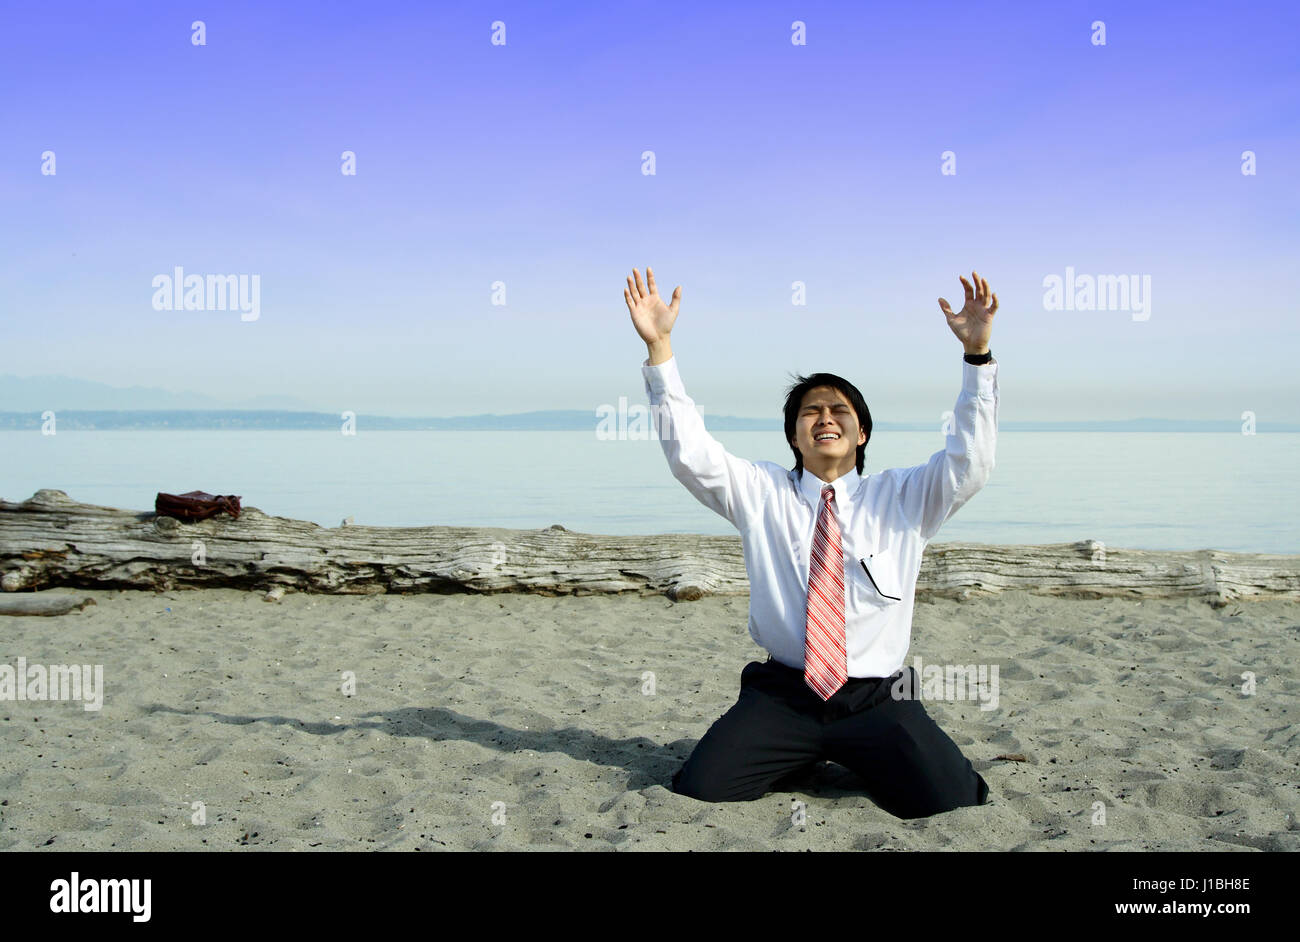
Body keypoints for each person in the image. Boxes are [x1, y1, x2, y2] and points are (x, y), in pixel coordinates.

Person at [622, 265, 999, 819]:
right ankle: (796, 756)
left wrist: (977, 358)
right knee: (701, 788)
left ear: (861, 432)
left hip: (877, 698)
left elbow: (971, 461)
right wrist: (661, 349)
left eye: (839, 410)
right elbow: (690, 453)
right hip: (784, 695)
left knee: (952, 800)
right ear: (794, 435)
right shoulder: (760, 491)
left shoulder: (904, 497)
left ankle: (857, 753)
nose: (825, 418)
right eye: (810, 412)